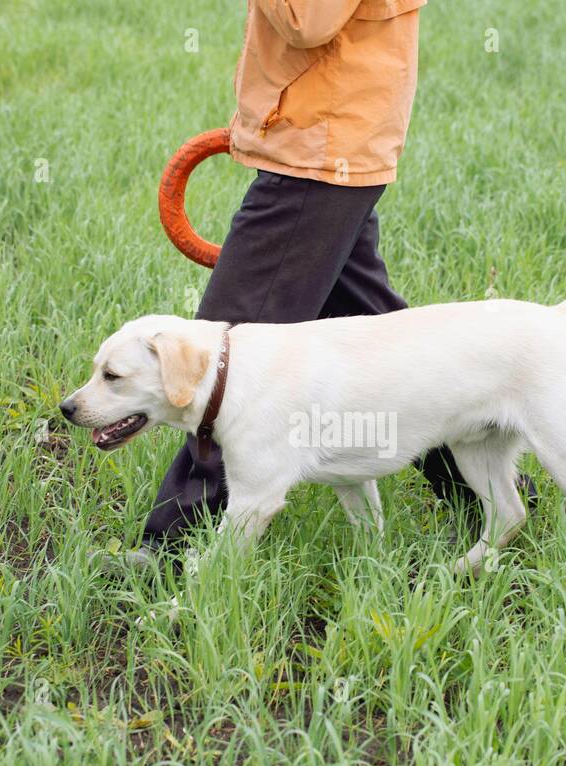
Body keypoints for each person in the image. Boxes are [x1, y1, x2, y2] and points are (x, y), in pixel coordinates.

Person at [122, 0, 476, 568]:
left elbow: (307, 19)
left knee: (221, 351)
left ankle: (172, 548)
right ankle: (483, 494)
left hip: (320, 146)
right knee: (390, 343)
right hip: (330, 136)